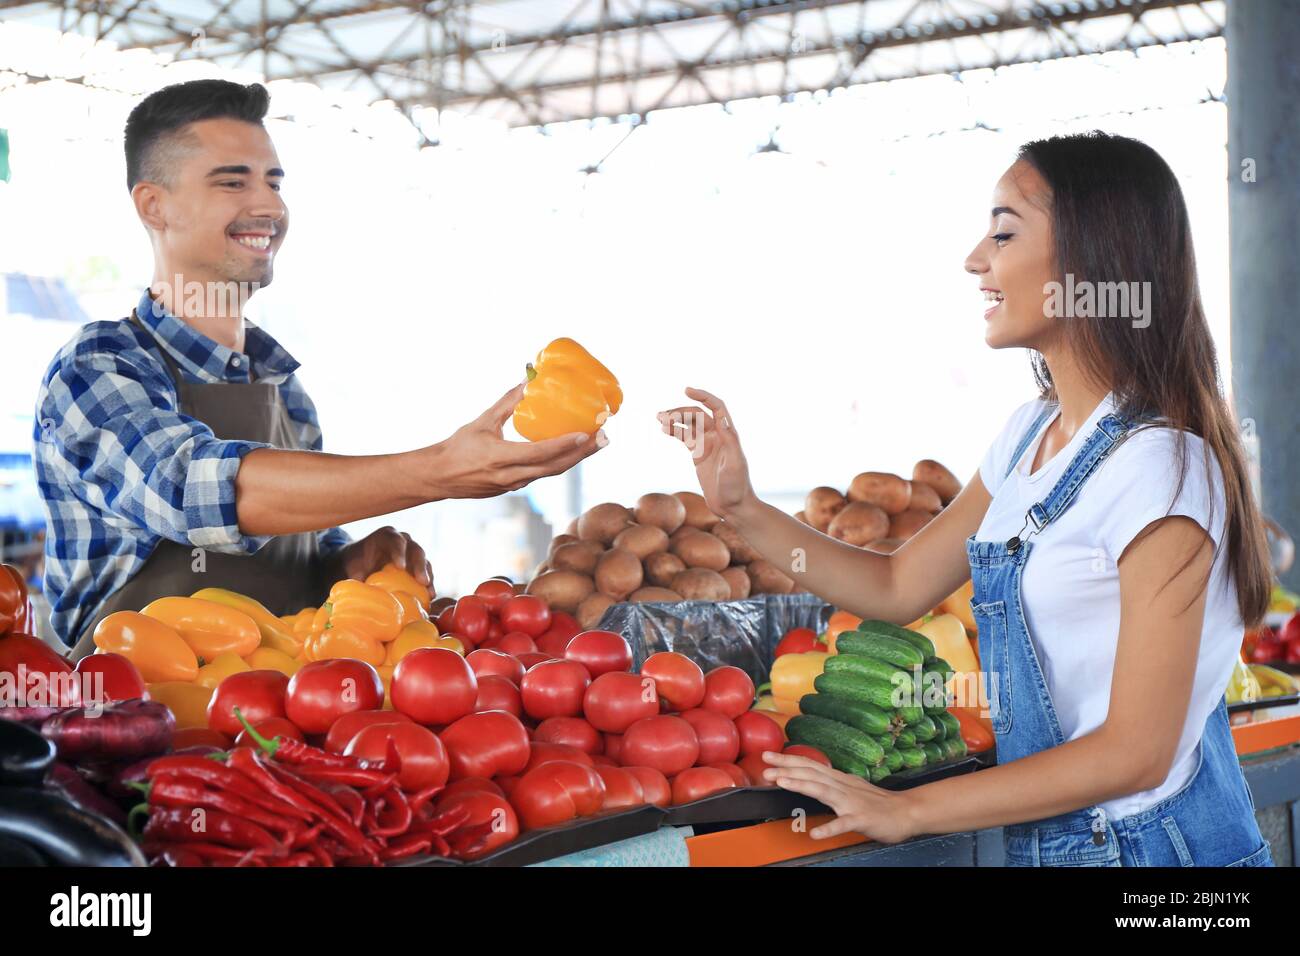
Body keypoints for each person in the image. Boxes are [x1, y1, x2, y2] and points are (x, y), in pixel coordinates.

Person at [660, 131, 1273, 867]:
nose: (975, 258)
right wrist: (743, 506)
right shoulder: (1028, 438)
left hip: (1157, 859)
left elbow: (1137, 754)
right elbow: (895, 585)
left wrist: (908, 809)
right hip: (1061, 848)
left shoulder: (1161, 466)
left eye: (1004, 231)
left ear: (1091, 259)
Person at [34, 80, 602, 654]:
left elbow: (309, 557)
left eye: (273, 183)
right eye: (233, 182)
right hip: (132, 727)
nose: (269, 207)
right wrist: (437, 472)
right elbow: (189, 490)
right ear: (154, 205)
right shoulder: (100, 365)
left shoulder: (281, 385)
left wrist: (352, 560)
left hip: (279, 723)